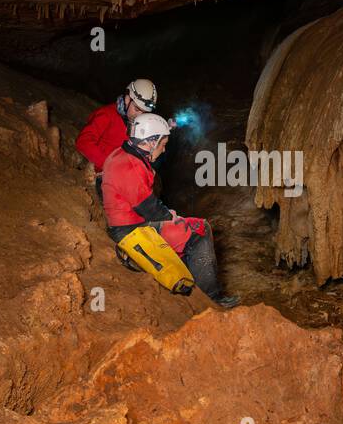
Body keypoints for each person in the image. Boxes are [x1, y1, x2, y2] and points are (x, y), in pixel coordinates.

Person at [102, 113, 239, 308]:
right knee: (200, 230)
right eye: (162, 143)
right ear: (150, 142)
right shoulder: (129, 167)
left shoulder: (121, 154)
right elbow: (150, 209)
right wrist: (170, 216)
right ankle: (212, 298)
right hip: (133, 230)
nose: (164, 149)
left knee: (182, 226)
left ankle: (192, 287)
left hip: (128, 222)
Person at [76, 79, 171, 200]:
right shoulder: (107, 115)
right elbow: (83, 141)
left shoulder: (138, 125)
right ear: (127, 99)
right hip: (106, 175)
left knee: (155, 182)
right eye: (136, 109)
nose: (139, 116)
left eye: (144, 113)